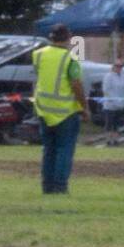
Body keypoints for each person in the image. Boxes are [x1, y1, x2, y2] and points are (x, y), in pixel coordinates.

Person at [32, 24, 91, 195]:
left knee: (48, 149)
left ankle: (47, 186)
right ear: (68, 37)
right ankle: (60, 186)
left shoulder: (38, 55)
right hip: (65, 112)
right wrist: (84, 107)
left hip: (43, 110)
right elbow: (76, 84)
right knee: (64, 150)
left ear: (51, 37)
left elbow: (39, 78)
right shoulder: (70, 58)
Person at [100, 57, 124, 133]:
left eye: (121, 66)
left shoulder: (123, 76)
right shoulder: (108, 76)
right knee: (109, 125)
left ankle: (115, 141)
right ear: (113, 66)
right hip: (110, 106)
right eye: (117, 66)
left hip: (120, 105)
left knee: (117, 125)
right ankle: (109, 141)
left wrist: (123, 102)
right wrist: (113, 101)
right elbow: (105, 90)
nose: (119, 68)